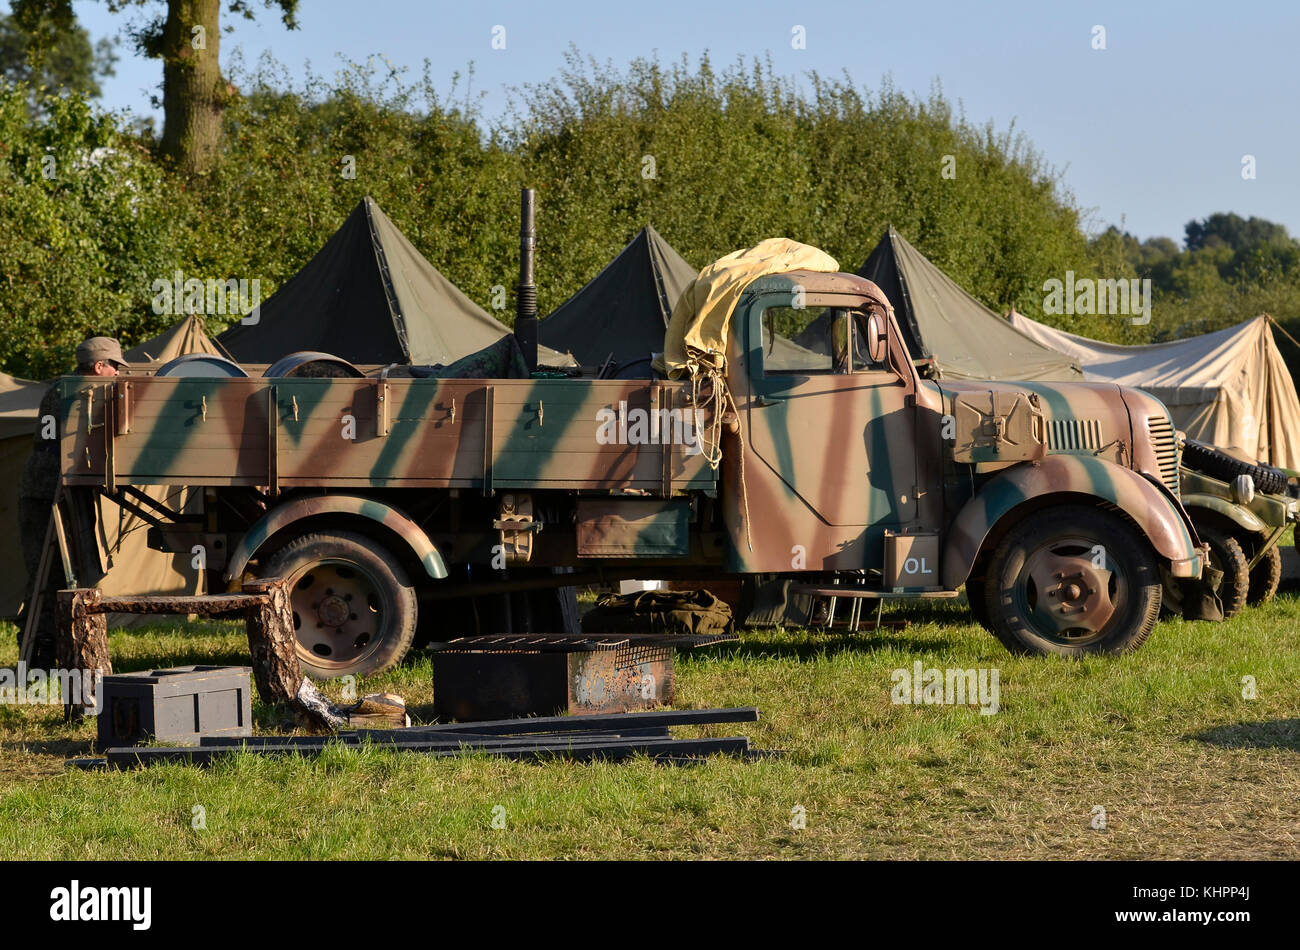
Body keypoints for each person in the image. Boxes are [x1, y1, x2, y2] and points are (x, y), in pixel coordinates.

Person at [17, 338, 129, 667]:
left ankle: (57, 655)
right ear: (98, 367)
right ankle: (37, 658)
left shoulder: (77, 391)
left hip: (63, 491)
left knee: (73, 575)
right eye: (113, 367)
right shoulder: (70, 393)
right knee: (46, 576)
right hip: (45, 494)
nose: (116, 374)